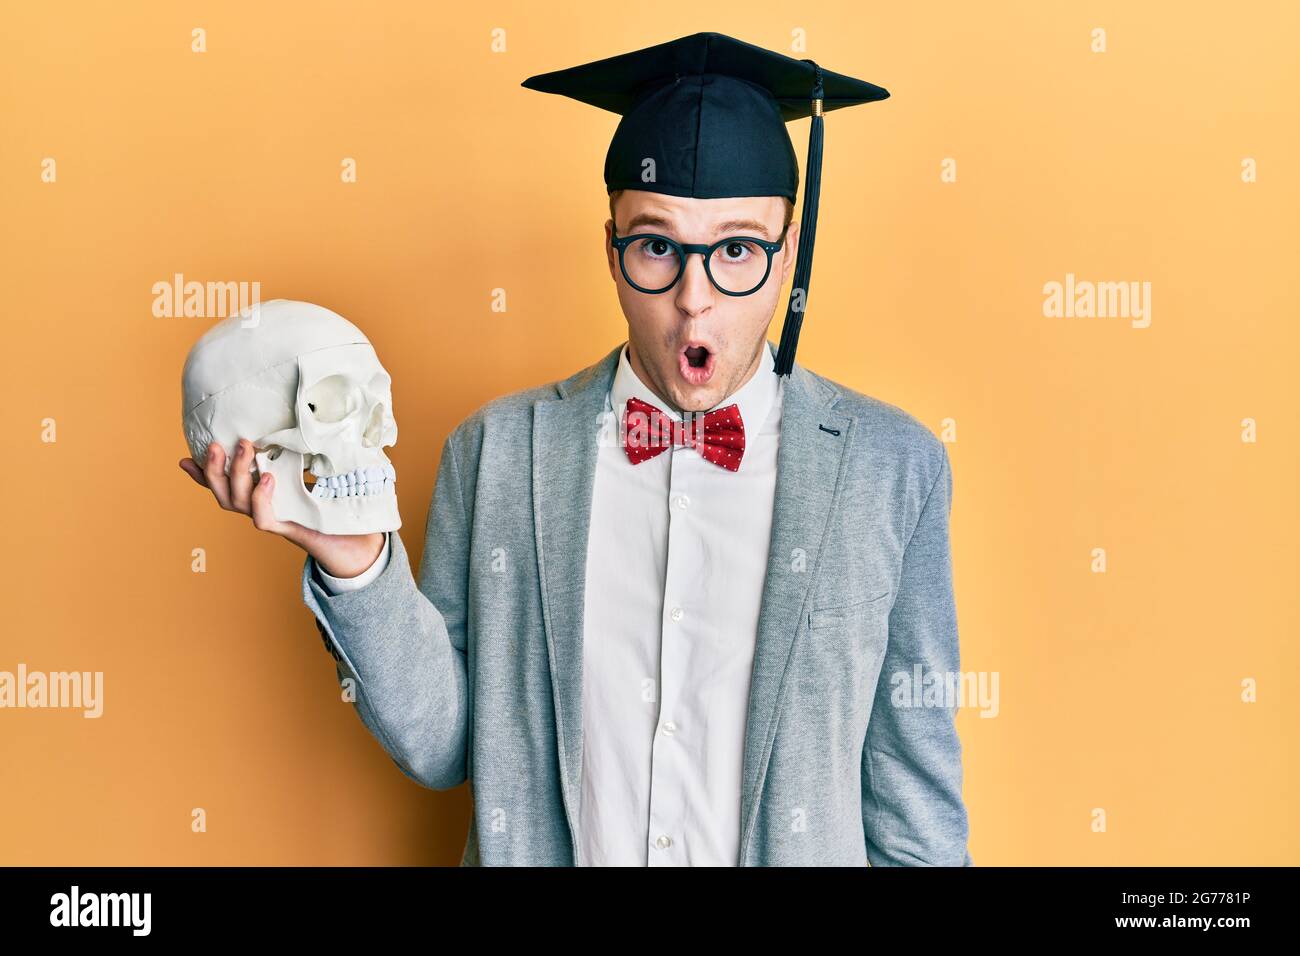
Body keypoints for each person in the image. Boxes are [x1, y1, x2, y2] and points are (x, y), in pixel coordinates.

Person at [179, 31, 972, 866]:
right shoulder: (494, 452)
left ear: (785, 262)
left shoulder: (894, 468)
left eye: (736, 249)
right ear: (611, 250)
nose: (694, 302)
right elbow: (445, 745)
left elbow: (914, 809)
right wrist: (357, 562)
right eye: (657, 246)